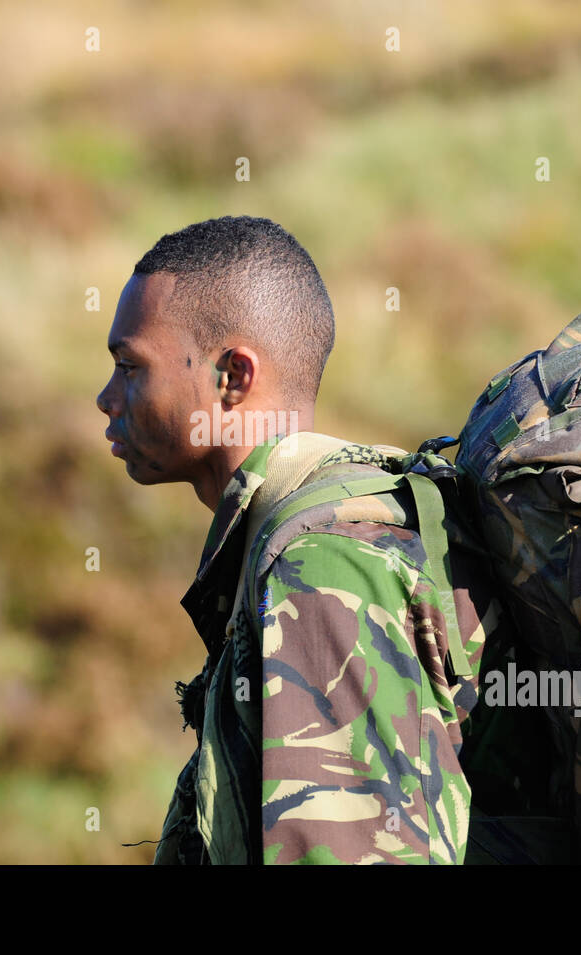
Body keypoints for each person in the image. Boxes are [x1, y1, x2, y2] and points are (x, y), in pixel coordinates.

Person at [96, 215, 489, 864]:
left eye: (129, 366)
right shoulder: (294, 534)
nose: (106, 398)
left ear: (233, 377)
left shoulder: (324, 564)